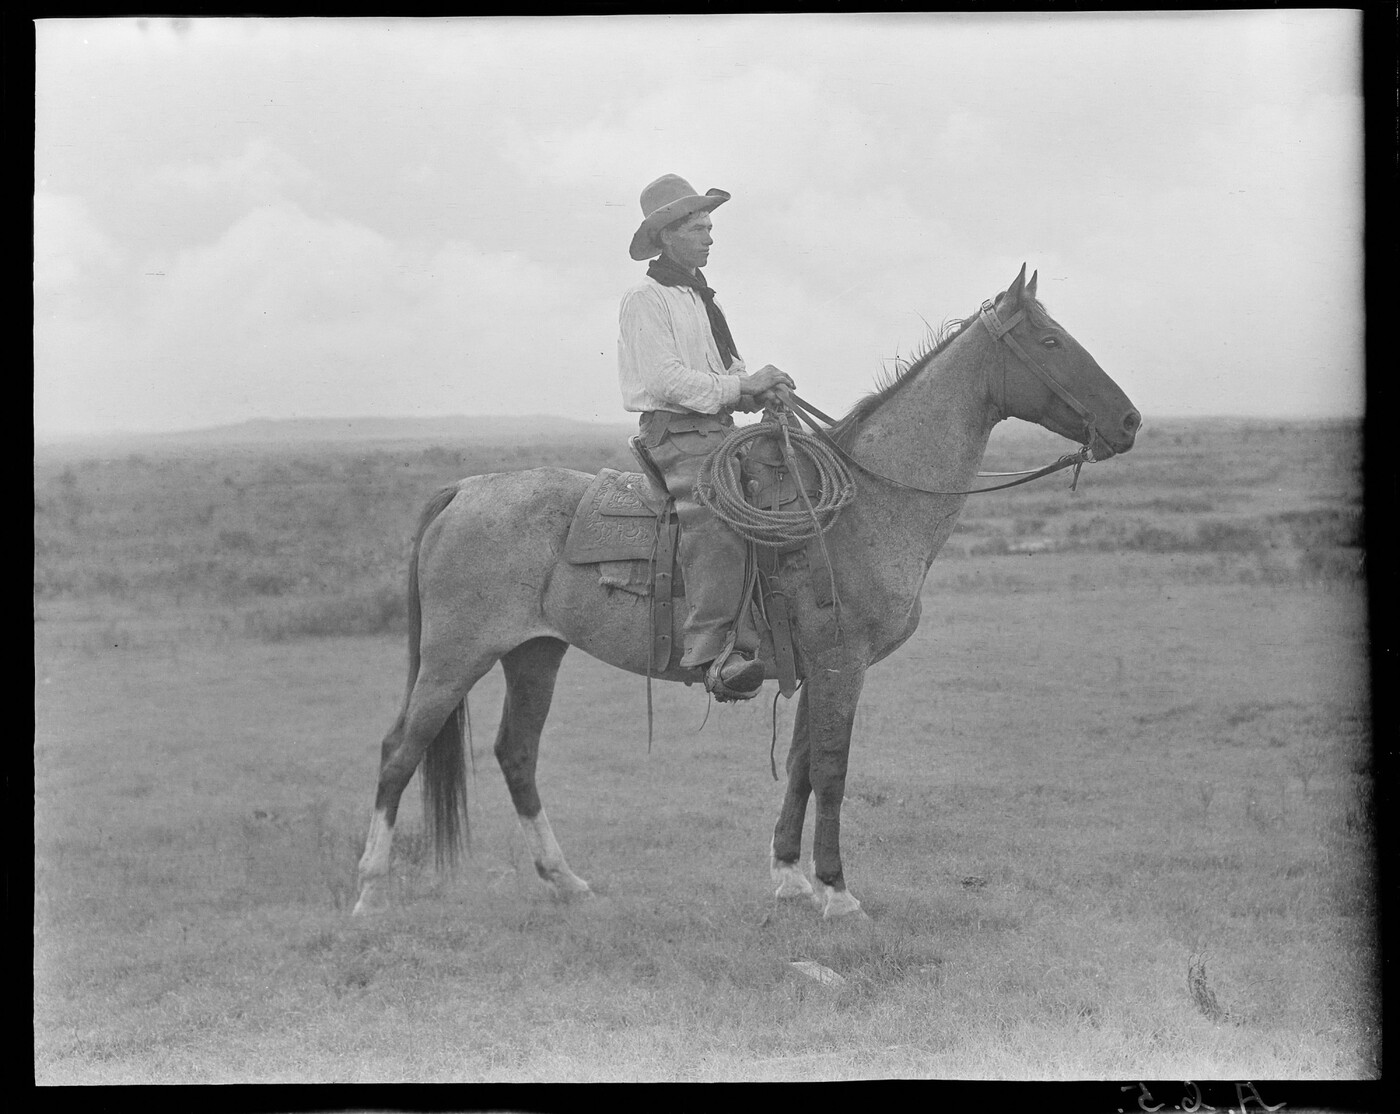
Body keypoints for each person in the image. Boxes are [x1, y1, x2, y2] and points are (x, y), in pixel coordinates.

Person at [618, 174, 795, 701]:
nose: (710, 237)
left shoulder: (701, 300)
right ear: (669, 234)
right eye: (699, 227)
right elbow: (665, 381)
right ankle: (717, 653)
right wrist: (742, 385)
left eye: (711, 227)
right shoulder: (645, 299)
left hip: (715, 427)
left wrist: (760, 390)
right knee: (719, 510)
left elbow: (728, 372)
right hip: (675, 432)